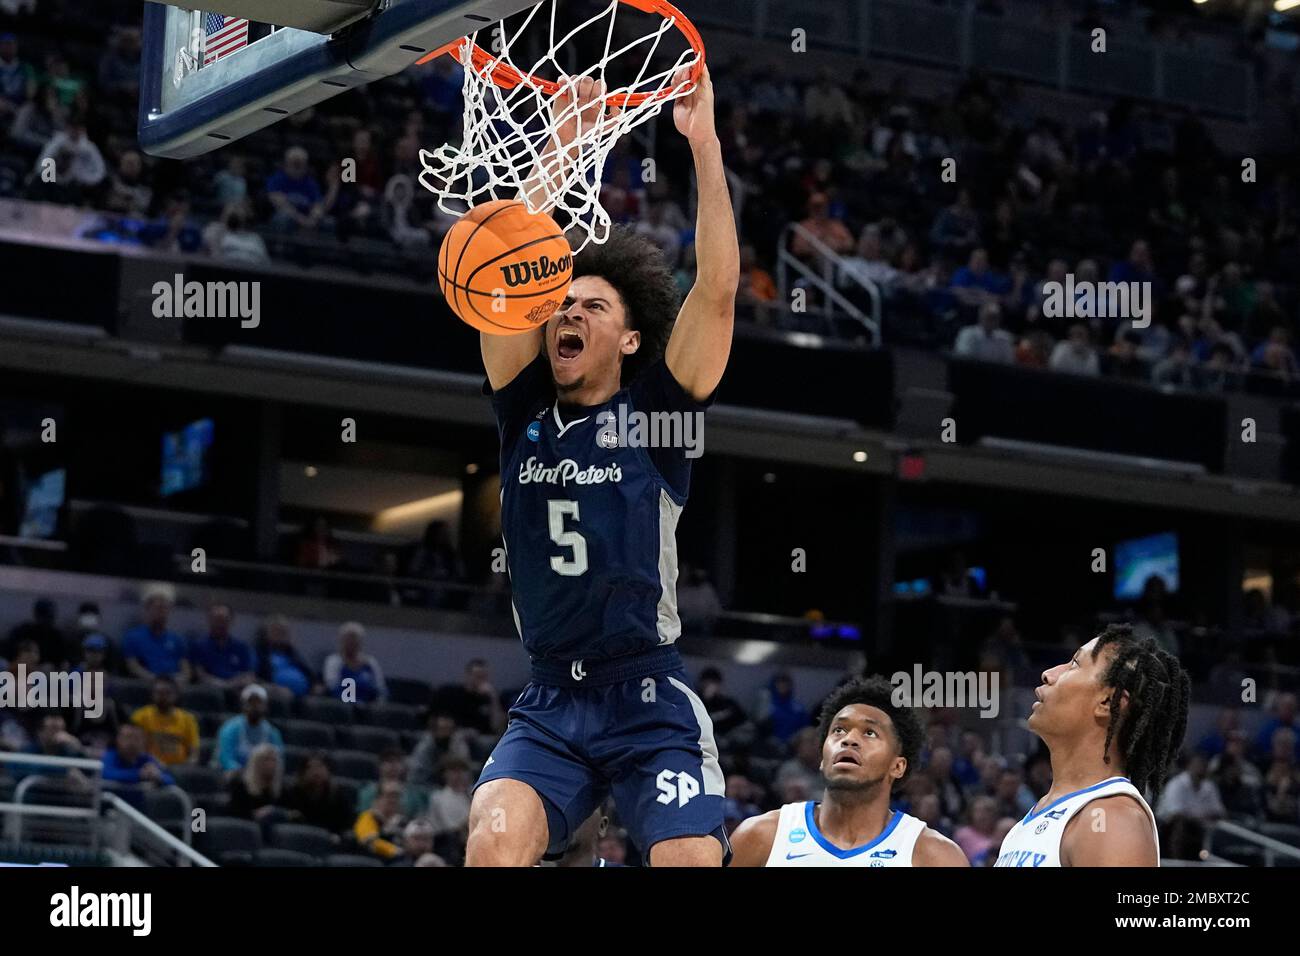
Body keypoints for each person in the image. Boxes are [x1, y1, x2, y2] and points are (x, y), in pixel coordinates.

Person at [468, 67, 738, 868]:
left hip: (647, 692)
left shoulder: (658, 415)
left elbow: (718, 293)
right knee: (492, 842)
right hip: (550, 696)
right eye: (561, 307)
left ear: (628, 339)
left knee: (689, 860)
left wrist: (705, 144)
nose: (567, 315)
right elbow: (510, 272)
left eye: (591, 307)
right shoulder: (522, 409)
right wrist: (562, 143)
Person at [994, 625, 1190, 867]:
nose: (1048, 674)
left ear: (1107, 701)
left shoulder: (1113, 819)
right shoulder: (1030, 821)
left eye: (1074, 664)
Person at [729, 676, 969, 867]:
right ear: (822, 758)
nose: (849, 740)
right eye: (839, 730)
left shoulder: (934, 855)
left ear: (897, 766)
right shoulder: (761, 836)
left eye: (870, 733)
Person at [121, 585, 191, 682]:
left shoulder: (178, 639)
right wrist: (157, 681)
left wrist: (177, 681)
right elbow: (133, 667)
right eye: (158, 608)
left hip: (174, 686)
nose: (161, 612)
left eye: (165, 608)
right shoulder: (132, 637)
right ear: (147, 609)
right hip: (147, 685)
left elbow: (186, 670)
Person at [213, 685, 284, 774]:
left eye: (258, 703)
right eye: (251, 703)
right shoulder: (230, 729)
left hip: (259, 778)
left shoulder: (272, 733)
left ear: (265, 706)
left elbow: (278, 759)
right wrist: (245, 773)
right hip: (234, 776)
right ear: (243, 706)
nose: (255, 707)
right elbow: (225, 759)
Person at [130, 676, 200, 766]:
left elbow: (194, 753)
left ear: (176, 695)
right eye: (159, 693)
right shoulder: (140, 716)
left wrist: (187, 767)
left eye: (167, 693)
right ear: (152, 694)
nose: (163, 697)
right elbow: (134, 750)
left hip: (180, 770)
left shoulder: (188, 719)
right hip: (149, 768)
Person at [285, 752, 355, 834]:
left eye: (320, 767)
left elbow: (346, 824)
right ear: (302, 773)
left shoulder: (337, 796)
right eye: (310, 768)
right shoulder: (291, 794)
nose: (316, 772)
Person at [431, 660, 505, 738]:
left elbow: (497, 727)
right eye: (477, 676)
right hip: (454, 733)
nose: (480, 680)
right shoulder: (453, 693)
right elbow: (439, 718)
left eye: (483, 677)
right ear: (468, 676)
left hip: (480, 736)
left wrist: (493, 697)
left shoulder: (490, 697)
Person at [190, 604, 256, 691]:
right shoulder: (198, 645)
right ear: (209, 620)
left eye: (224, 620)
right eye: (217, 619)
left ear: (232, 621)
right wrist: (220, 685)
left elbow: (249, 675)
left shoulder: (242, 647)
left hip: (237, 688)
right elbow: (199, 674)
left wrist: (230, 684)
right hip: (210, 689)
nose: (220, 624)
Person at [228, 743, 295, 828]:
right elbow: (235, 816)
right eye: (266, 760)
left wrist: (274, 812)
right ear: (255, 763)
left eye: (274, 760)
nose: (271, 765)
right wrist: (256, 814)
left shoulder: (283, 789)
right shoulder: (241, 786)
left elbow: (293, 814)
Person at [322, 621, 387, 703]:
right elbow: (332, 686)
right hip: (342, 705)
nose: (351, 643)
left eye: (354, 640)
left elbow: (380, 687)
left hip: (368, 705)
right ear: (341, 641)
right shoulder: (333, 661)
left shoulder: (370, 662)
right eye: (348, 640)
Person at [356, 750, 429, 821]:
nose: (393, 765)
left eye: (398, 762)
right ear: (379, 766)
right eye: (389, 761)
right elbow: (363, 816)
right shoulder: (368, 791)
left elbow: (419, 818)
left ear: (403, 767)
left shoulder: (413, 793)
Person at [102, 724, 174, 788]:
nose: (132, 743)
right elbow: (105, 774)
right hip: (112, 801)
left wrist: (158, 776)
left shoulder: (146, 758)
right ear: (117, 739)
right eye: (128, 737)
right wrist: (138, 774)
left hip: (137, 802)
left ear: (144, 741)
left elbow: (170, 779)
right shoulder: (111, 755)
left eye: (136, 738)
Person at [3, 597, 64, 667]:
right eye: (43, 616)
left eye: (49, 617)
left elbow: (61, 660)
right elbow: (7, 650)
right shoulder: (23, 631)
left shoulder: (57, 637)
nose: (45, 620)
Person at [354, 781, 407, 860]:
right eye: (389, 796)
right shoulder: (368, 817)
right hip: (374, 859)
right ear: (378, 799)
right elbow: (369, 841)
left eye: (396, 796)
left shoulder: (403, 821)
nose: (393, 800)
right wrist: (394, 851)